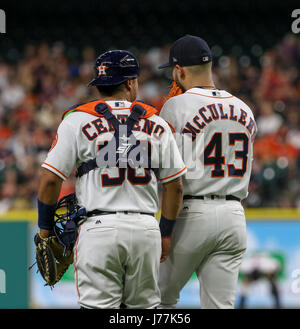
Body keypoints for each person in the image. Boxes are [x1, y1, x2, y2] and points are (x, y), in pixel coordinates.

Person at [36, 50, 186, 309]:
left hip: (98, 229)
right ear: (130, 83)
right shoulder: (157, 123)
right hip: (145, 229)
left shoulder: (77, 121)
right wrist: (165, 234)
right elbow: (175, 186)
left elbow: (50, 181)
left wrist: (45, 230)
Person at [158, 35, 257, 309]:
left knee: (155, 300)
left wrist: (165, 228)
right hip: (234, 215)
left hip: (190, 213)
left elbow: (167, 174)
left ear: (178, 70)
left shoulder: (175, 106)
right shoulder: (244, 109)